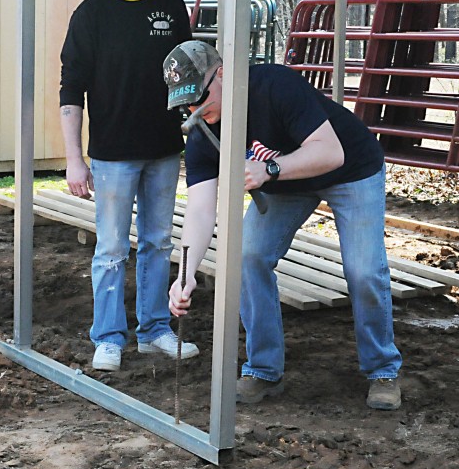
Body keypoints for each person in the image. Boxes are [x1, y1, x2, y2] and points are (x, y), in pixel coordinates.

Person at [163, 40, 403, 410]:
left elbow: (330, 152)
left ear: (222, 74)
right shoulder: (202, 134)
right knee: (248, 255)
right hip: (285, 183)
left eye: (200, 97)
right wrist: (186, 273)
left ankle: (382, 369)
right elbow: (199, 210)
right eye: (185, 105)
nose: (195, 110)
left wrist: (269, 169)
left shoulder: (274, 86)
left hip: (350, 170)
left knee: (364, 270)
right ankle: (263, 369)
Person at [59, 0, 197, 372]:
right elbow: (70, 90)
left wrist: (193, 120)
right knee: (112, 248)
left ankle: (154, 329)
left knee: (158, 242)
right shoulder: (91, 14)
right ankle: (107, 336)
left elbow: (189, 72)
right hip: (112, 153)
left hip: (163, 148)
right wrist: (74, 159)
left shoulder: (170, 8)